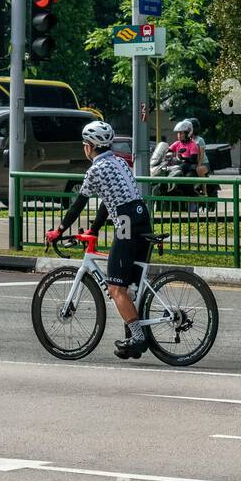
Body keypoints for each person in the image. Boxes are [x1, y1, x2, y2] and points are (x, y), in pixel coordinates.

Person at [45, 120, 153, 360]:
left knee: (116, 287)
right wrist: (94, 229)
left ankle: (138, 337)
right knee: (129, 288)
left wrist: (59, 230)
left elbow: (78, 204)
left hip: (126, 223)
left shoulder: (95, 170)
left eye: (85, 145)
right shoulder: (119, 162)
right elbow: (107, 200)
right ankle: (132, 339)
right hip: (142, 217)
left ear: (89, 146)